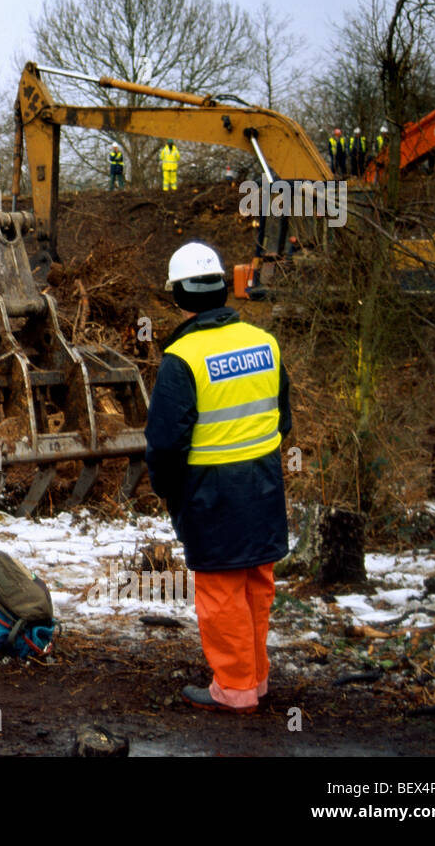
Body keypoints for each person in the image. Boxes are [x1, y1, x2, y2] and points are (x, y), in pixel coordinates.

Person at [145, 243, 291, 714]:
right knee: (256, 583)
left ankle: (234, 688)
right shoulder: (264, 342)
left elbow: (166, 444)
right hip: (264, 485)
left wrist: (167, 489)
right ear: (224, 288)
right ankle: (256, 676)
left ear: (177, 297)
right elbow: (282, 420)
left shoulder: (181, 359)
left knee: (222, 591)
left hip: (212, 492)